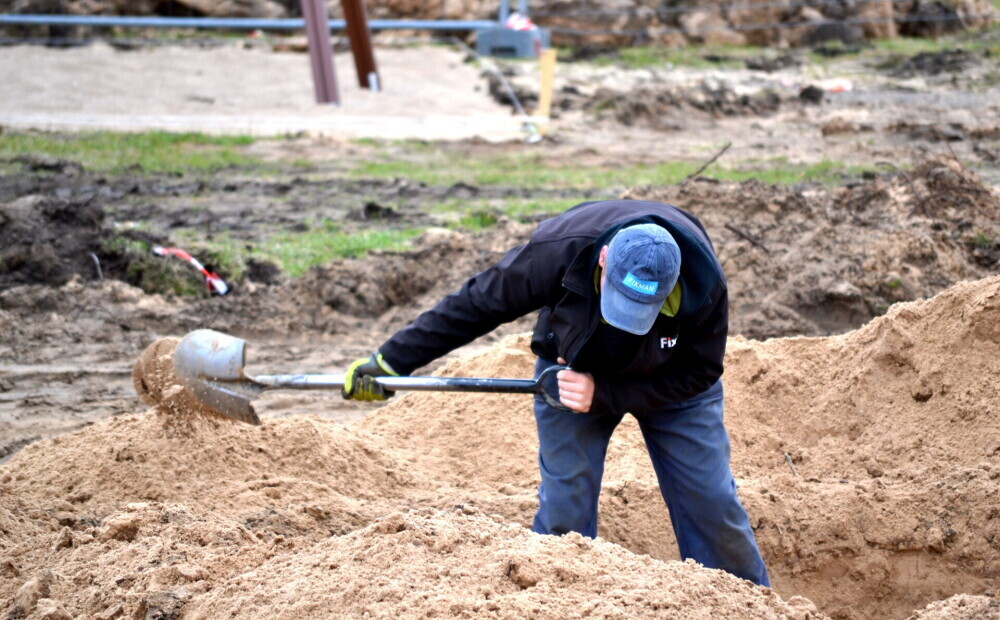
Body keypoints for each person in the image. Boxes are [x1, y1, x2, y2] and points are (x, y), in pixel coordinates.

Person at [342, 199, 770, 586]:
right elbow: (476, 305)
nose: (625, 320)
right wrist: (391, 361)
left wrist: (604, 395)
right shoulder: (559, 250)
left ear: (673, 282)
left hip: (670, 382)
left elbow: (703, 370)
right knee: (565, 508)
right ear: (603, 259)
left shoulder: (705, 284)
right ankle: (556, 600)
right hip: (572, 371)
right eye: (619, 299)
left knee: (712, 502)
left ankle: (745, 602)